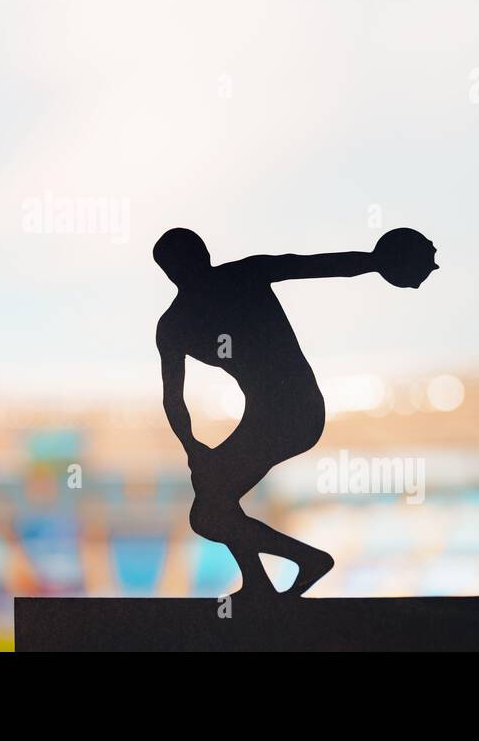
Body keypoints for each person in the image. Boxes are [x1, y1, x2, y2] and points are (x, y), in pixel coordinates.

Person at [154, 226, 438, 600]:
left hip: (292, 410)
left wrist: (374, 261)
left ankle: (299, 564)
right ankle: (288, 569)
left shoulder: (180, 321)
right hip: (284, 411)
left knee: (210, 505)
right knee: (210, 510)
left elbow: (313, 266)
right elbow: (312, 266)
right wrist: (375, 261)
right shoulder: (214, 296)